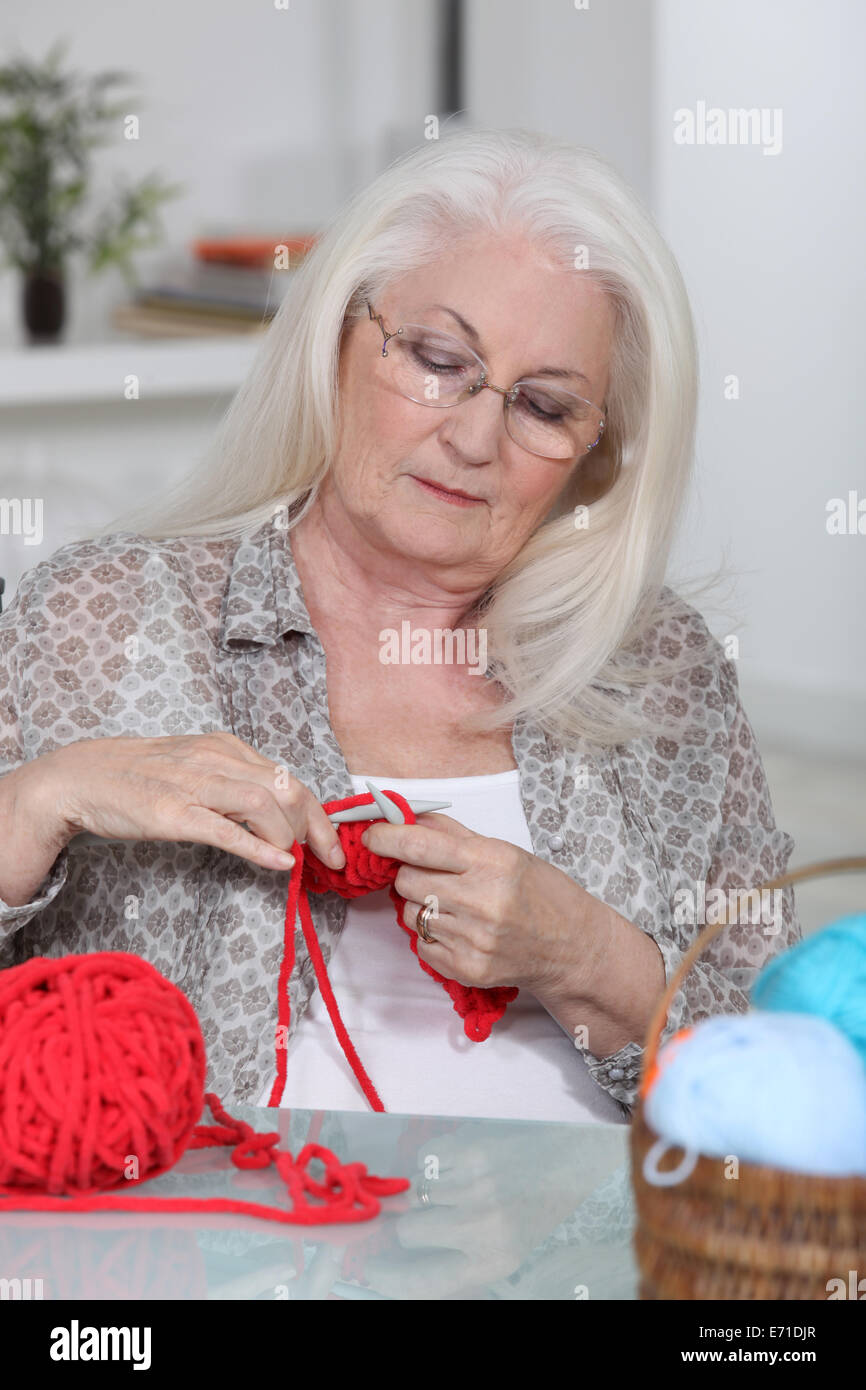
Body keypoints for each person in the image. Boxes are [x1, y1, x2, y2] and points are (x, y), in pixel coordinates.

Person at [0, 128, 799, 1121]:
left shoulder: (660, 667)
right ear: (337, 331)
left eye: (543, 407)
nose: (471, 437)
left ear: (594, 458)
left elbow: (788, 1085)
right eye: (435, 358)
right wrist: (37, 803)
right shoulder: (96, 616)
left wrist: (590, 956)